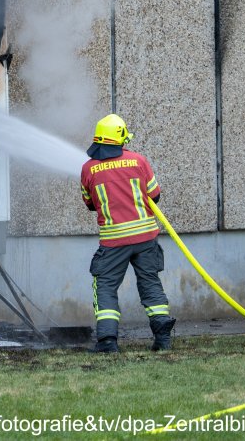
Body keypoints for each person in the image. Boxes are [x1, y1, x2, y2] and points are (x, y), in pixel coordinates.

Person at [80, 114, 175, 353]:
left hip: (114, 242)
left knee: (105, 286)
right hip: (146, 238)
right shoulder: (138, 161)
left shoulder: (88, 168)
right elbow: (155, 196)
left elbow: (90, 204)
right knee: (150, 282)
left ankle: (108, 342)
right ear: (121, 138)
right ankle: (162, 336)